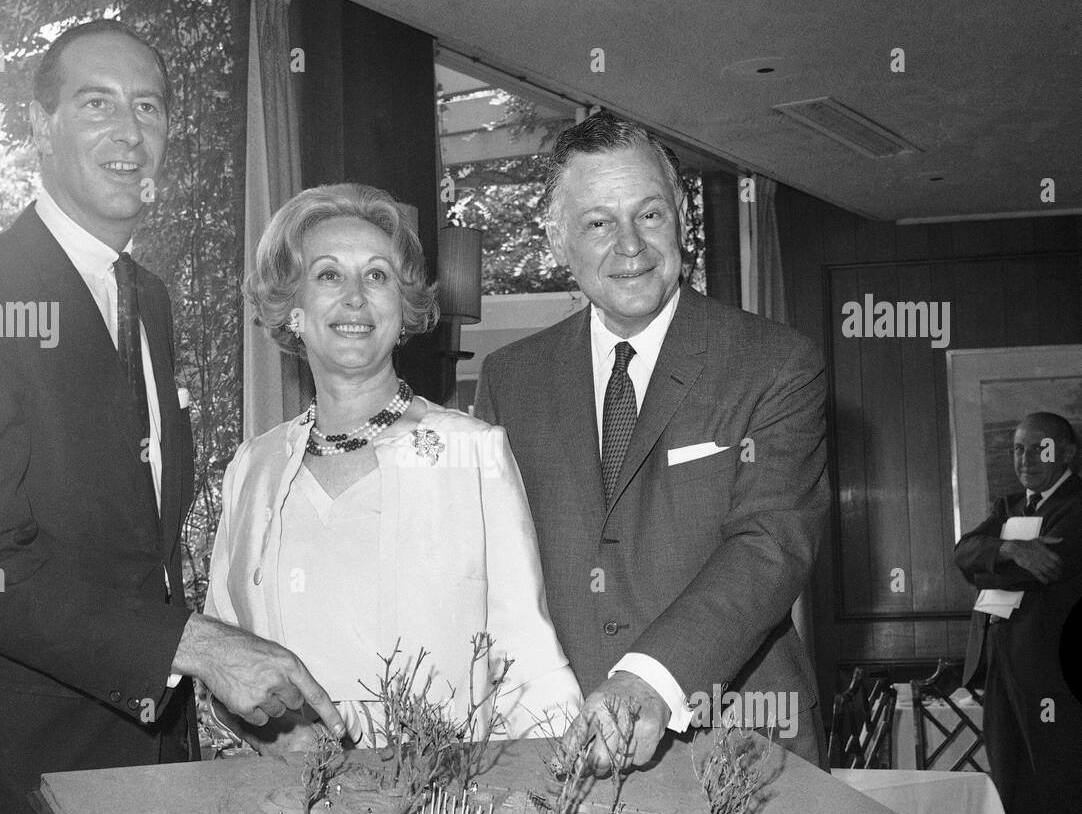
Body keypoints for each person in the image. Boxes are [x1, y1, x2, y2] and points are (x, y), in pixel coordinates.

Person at [0, 19, 341, 814]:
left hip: (141, 780)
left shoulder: (149, 301)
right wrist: (204, 646)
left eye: (149, 107)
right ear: (39, 123)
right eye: (98, 103)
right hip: (21, 795)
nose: (131, 132)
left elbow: (131, 562)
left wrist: (223, 704)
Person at [475, 111, 829, 772]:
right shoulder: (509, 380)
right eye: (598, 222)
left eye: (650, 215)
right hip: (561, 747)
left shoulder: (775, 362)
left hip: (741, 749)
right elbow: (493, 571)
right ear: (558, 242)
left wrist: (650, 681)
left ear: (682, 221)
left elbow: (771, 544)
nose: (630, 245)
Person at [205, 182, 580, 745]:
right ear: (294, 310)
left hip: (439, 805)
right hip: (283, 804)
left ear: (402, 311)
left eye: (377, 275)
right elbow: (224, 660)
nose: (355, 297)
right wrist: (267, 735)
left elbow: (526, 660)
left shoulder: (472, 453)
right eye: (329, 274)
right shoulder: (251, 469)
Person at [955, 411, 1082, 814]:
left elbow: (1047, 570)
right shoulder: (1009, 507)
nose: (1027, 459)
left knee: (1062, 792)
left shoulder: (1077, 505)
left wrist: (999, 562)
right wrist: (1008, 547)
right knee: (1015, 790)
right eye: (1018, 449)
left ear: (1066, 453)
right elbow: (965, 553)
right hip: (1005, 671)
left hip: (1054, 676)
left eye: (1040, 449)